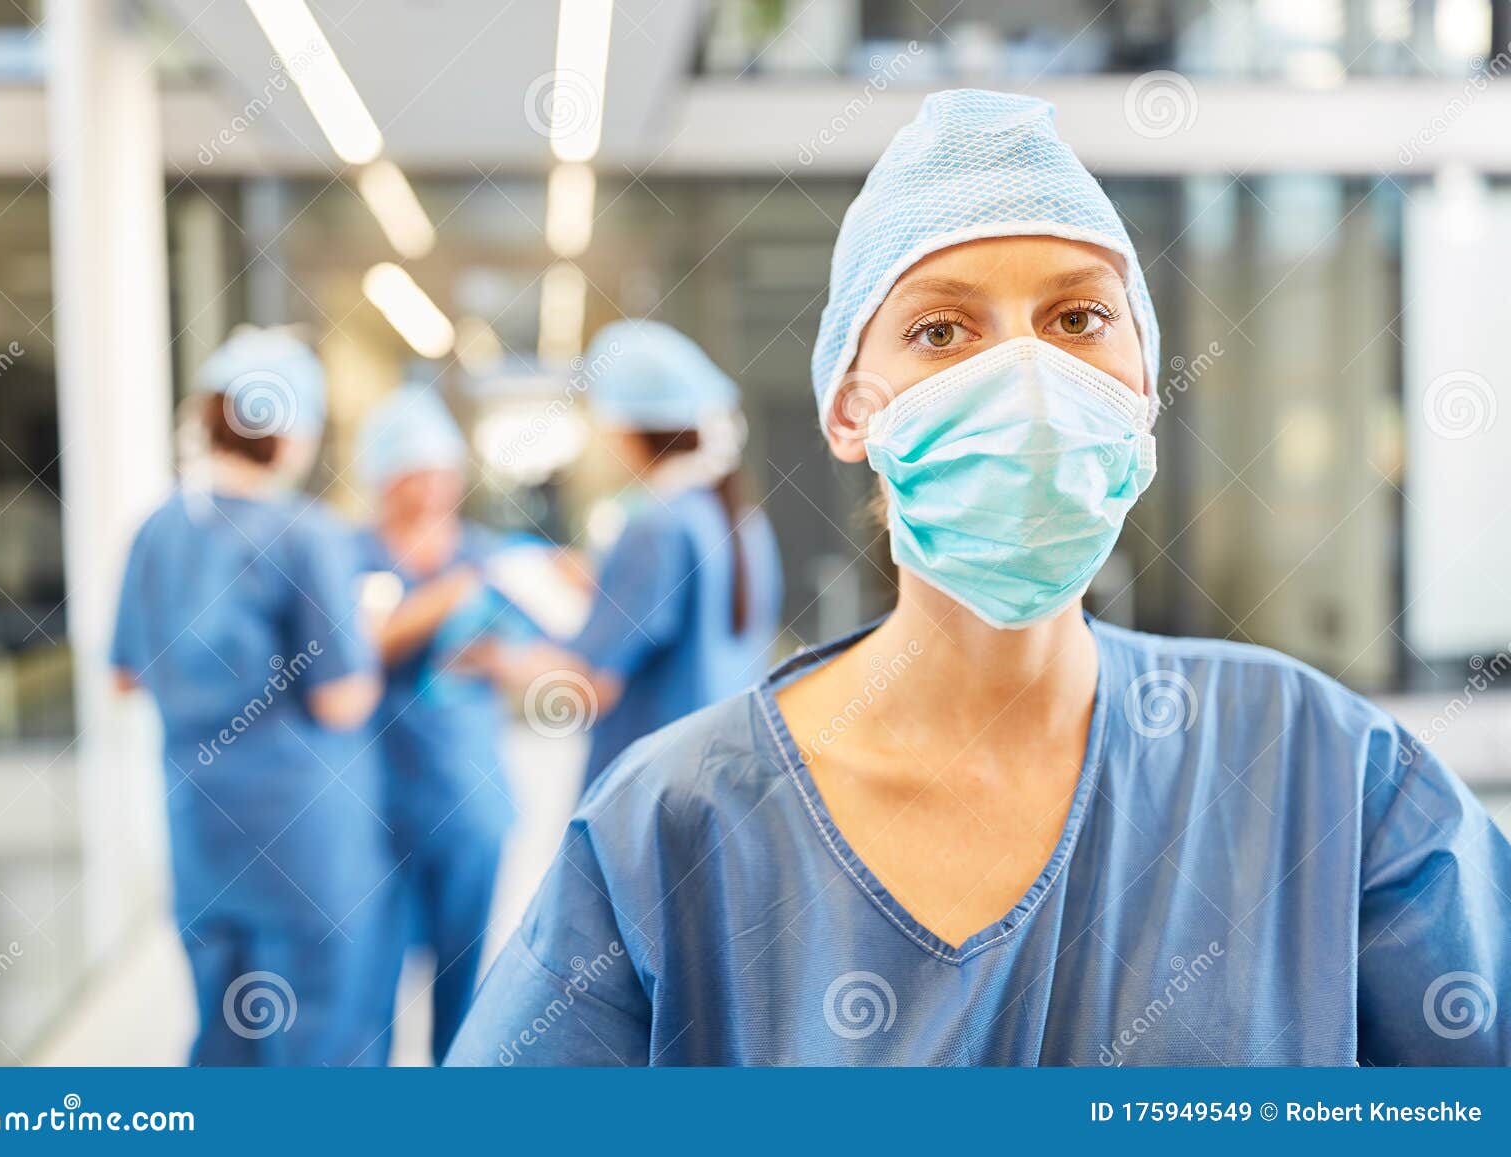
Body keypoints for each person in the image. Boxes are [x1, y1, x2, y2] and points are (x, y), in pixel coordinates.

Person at [445, 90, 1511, 1067]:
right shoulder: (672, 827)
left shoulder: (1317, 767)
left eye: (1078, 317)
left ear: (1144, 380)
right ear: (852, 409)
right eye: (941, 329)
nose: (1028, 379)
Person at [111, 326, 392, 1066]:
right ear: (294, 433)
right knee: (319, 1037)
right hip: (299, 837)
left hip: (202, 824)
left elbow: (124, 674)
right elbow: (343, 701)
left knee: (223, 1032)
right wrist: (367, 634)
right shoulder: (307, 536)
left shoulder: (159, 529)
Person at [493, 320, 784, 790]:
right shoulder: (741, 519)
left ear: (625, 431)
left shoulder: (654, 527)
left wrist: (491, 656)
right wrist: (600, 580)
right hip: (723, 781)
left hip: (654, 795)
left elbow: (588, 686)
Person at [353, 374, 525, 1064]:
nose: (428, 489)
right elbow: (360, 648)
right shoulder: (353, 556)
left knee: (465, 998)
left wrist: (503, 653)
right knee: (367, 990)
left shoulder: (487, 553)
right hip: (373, 809)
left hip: (468, 801)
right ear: (379, 479)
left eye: (439, 472)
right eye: (410, 473)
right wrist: (453, 594)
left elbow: (545, 654)